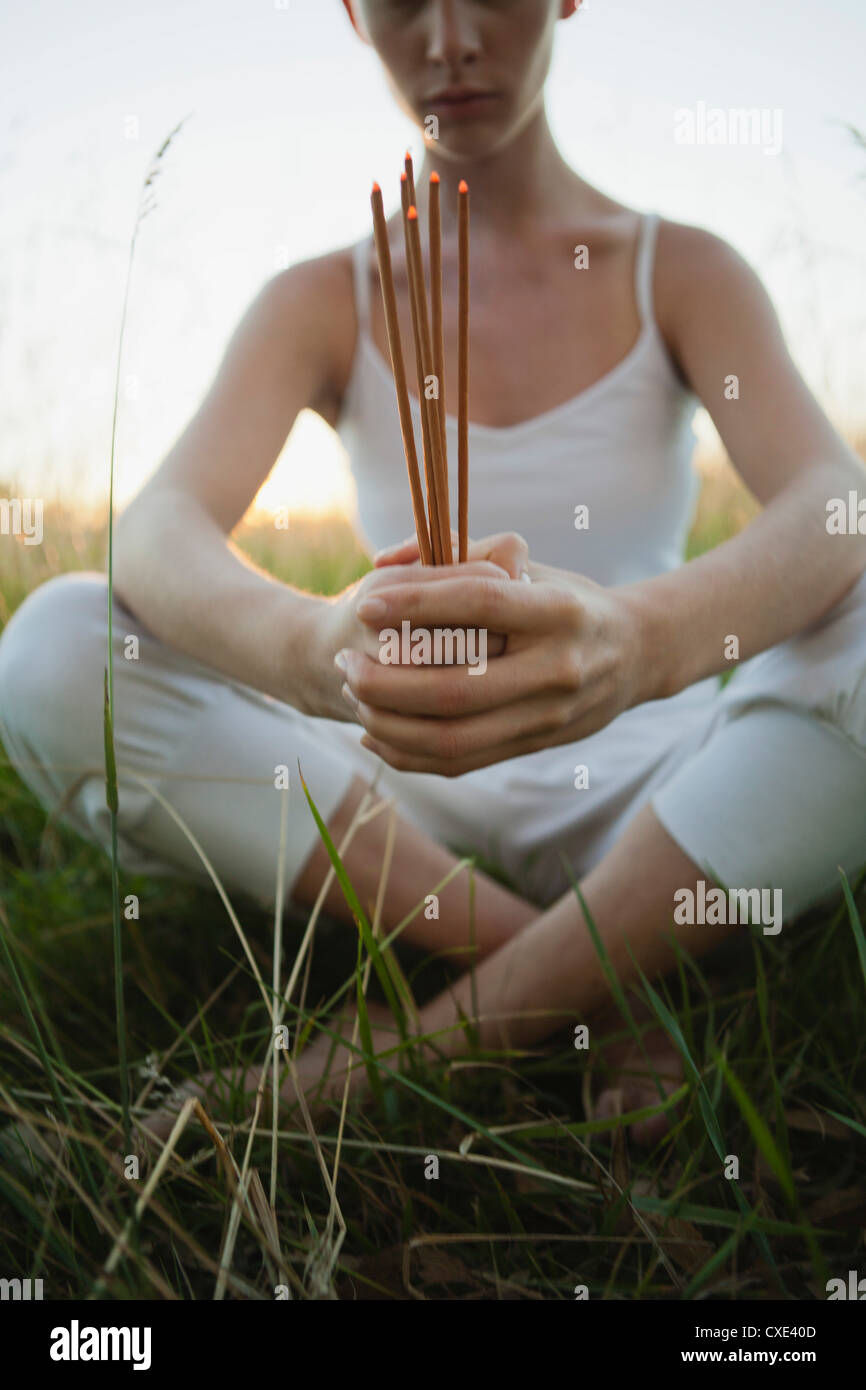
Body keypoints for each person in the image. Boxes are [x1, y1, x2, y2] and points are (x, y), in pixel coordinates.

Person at [2, 0, 865, 1143]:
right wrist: (313, 653)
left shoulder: (678, 271)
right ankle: (592, 982)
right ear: (354, 15)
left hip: (652, 784)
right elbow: (159, 526)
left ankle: (353, 1071)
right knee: (61, 646)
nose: (449, 40)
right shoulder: (323, 295)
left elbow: (832, 504)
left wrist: (639, 645)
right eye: (403, 1)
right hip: (385, 782)